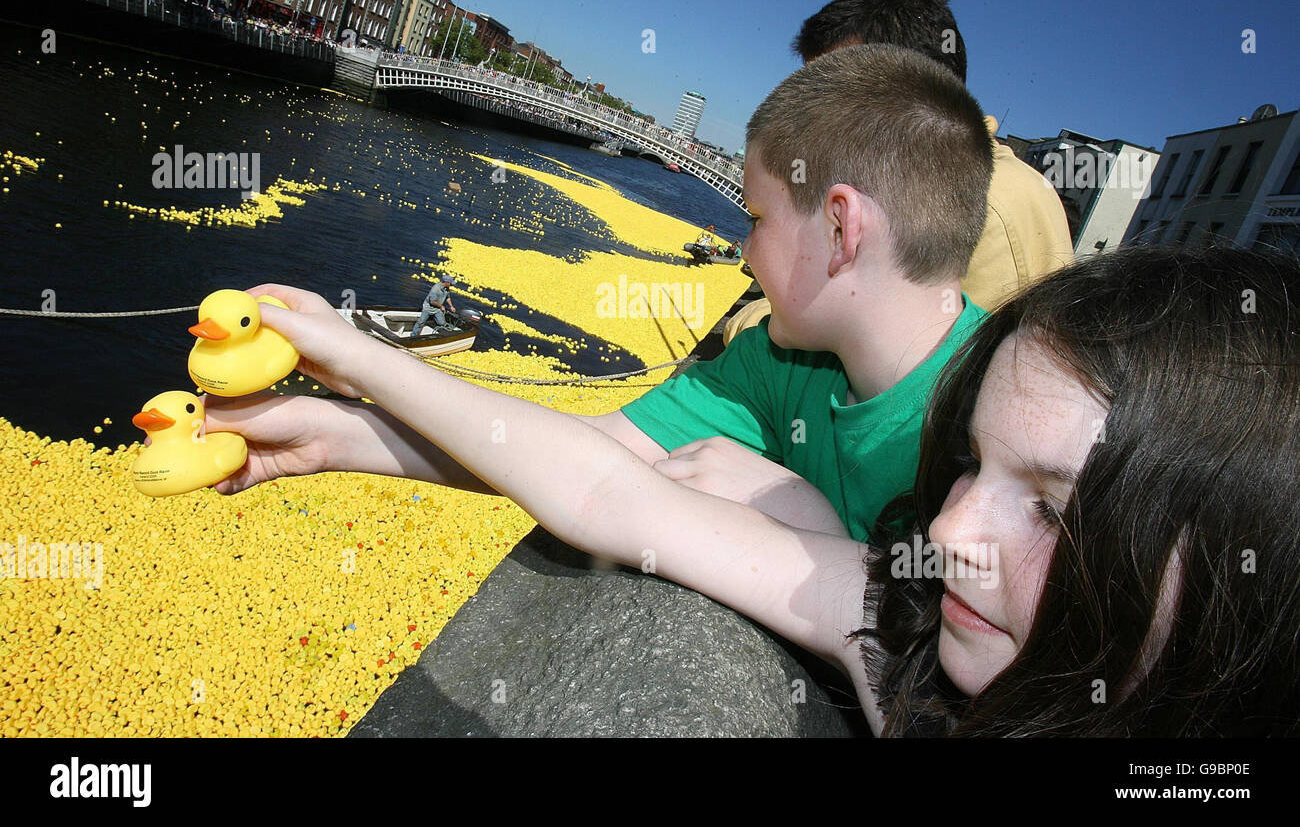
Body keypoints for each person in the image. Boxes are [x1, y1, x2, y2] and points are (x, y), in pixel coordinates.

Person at [205, 243, 1300, 735]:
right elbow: (617, 497)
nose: (949, 527)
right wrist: (352, 386)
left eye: (1050, 507)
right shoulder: (926, 656)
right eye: (968, 462)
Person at [206, 44, 994, 548]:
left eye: (755, 219)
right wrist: (334, 431)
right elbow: (581, 458)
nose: (745, 252)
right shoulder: (775, 361)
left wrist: (820, 543)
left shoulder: (995, 431)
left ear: (840, 227)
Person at [725, 0, 1074, 346]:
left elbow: (914, 376)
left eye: (835, 95)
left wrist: (759, 319)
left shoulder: (981, 202)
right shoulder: (951, 179)